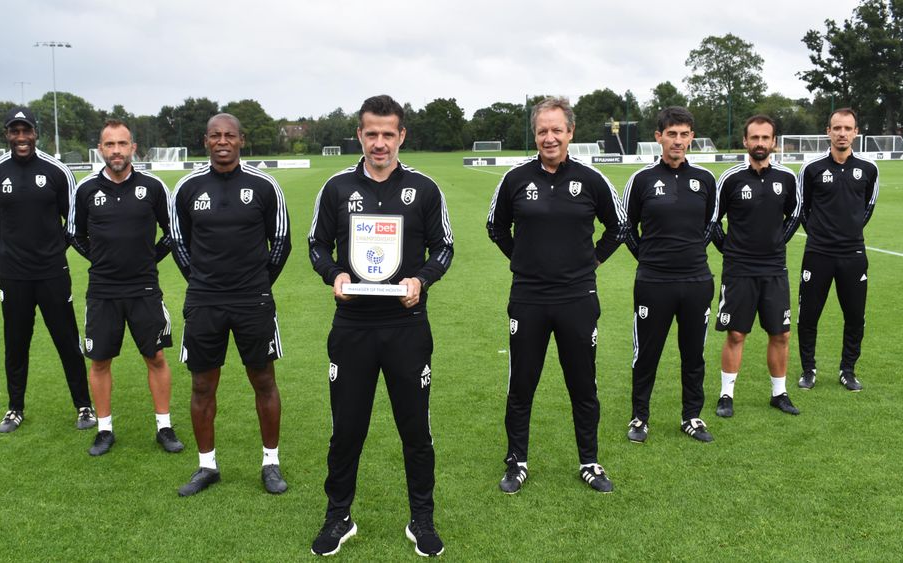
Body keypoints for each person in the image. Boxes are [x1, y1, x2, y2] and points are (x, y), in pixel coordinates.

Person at [307, 95, 453, 557]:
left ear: (401, 136)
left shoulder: (424, 189)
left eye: (388, 134)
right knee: (347, 429)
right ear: (360, 135)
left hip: (407, 325)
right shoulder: (335, 188)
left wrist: (421, 279)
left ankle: (422, 520)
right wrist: (335, 275)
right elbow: (316, 246)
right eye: (371, 133)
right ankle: (338, 518)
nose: (380, 143)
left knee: (416, 430)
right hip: (352, 326)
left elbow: (444, 249)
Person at [486, 97, 624, 495]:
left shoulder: (592, 179)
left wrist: (590, 262)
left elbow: (618, 228)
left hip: (578, 297)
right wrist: (525, 261)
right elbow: (496, 228)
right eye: (542, 130)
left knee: (583, 385)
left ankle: (590, 461)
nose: (550, 137)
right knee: (522, 385)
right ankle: (517, 462)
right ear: (536, 134)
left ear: (570, 133)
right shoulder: (515, 179)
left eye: (556, 130)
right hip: (528, 297)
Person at [170, 113, 291, 496]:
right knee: (203, 385)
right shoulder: (188, 188)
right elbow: (179, 242)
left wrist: (257, 283)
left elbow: (281, 241)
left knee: (264, 380)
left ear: (242, 140)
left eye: (230, 135)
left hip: (252, 300)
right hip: (204, 301)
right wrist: (203, 282)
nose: (223, 141)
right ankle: (207, 466)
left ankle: (270, 463)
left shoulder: (264, 185)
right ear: (205, 141)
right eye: (215, 136)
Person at [0, 106, 95, 433]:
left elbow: (72, 221)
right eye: (15, 131)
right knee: (15, 342)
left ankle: (84, 405)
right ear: (7, 135)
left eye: (25, 130)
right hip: (13, 276)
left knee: (67, 341)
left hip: (53, 272)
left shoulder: (57, 171)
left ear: (35, 132)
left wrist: (54, 249)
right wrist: (8, 246)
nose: (21, 137)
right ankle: (15, 408)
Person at [68, 119, 184, 456]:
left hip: (144, 288)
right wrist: (101, 259)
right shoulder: (86, 190)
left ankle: (164, 426)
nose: (116, 151)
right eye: (109, 145)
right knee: (100, 361)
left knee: (156, 357)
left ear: (133, 147)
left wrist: (149, 257)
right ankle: (105, 430)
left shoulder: (154, 187)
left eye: (122, 144)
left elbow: (173, 232)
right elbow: (75, 235)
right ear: (100, 149)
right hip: (102, 290)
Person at [621, 106, 717, 443]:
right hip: (653, 283)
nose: (678, 141)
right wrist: (649, 258)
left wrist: (688, 256)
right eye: (671, 134)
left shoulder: (705, 180)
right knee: (646, 353)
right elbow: (626, 228)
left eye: (684, 134)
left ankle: (692, 416)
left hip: (696, 282)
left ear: (692, 137)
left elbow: (709, 225)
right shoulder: (642, 180)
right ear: (658, 136)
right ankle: (639, 418)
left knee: (694, 354)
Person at [709, 115, 801, 417]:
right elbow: (712, 222)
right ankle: (726, 395)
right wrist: (731, 249)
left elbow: (795, 215)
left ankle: (779, 393)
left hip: (775, 269)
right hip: (739, 270)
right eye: (755, 138)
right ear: (745, 141)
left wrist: (777, 244)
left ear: (773, 142)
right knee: (736, 334)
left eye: (766, 138)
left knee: (781, 334)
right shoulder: (731, 179)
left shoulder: (786, 178)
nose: (760, 143)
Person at [796, 108, 879, 391]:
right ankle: (808, 369)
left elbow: (868, 207)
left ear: (856, 132)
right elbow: (802, 209)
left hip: (853, 255)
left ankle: (848, 370)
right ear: (827, 131)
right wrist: (821, 235)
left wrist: (849, 232)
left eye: (847, 128)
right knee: (808, 314)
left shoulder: (869, 169)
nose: (842, 133)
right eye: (837, 128)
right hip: (817, 253)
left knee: (855, 315)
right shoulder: (812, 169)